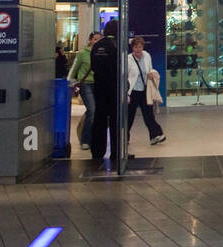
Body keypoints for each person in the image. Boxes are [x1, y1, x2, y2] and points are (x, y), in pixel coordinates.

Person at [88, 19, 123, 165]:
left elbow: (94, 66)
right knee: (115, 119)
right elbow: (119, 67)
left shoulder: (96, 46)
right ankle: (115, 152)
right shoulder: (116, 45)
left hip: (99, 87)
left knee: (99, 119)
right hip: (113, 87)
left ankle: (97, 151)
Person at [126, 35, 165, 146]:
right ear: (132, 48)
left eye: (140, 47)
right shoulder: (128, 59)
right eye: (136, 47)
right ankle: (125, 138)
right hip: (133, 91)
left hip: (144, 90)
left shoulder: (147, 56)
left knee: (148, 114)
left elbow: (150, 68)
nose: (138, 50)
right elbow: (127, 75)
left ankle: (155, 135)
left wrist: (151, 75)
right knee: (129, 116)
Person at [67, 31, 101, 150]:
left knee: (94, 112)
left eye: (99, 39)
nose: (97, 42)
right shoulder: (82, 54)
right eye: (95, 39)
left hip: (97, 84)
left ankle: (91, 137)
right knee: (92, 109)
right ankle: (85, 140)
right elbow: (74, 69)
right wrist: (70, 82)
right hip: (86, 84)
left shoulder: (101, 53)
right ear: (90, 40)